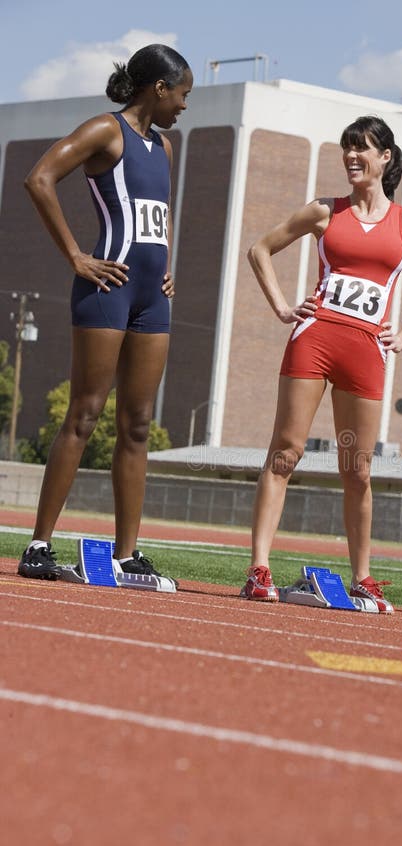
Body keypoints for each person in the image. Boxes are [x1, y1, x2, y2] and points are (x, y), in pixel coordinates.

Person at [241, 115, 402, 611]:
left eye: (362, 148)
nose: (352, 156)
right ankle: (259, 570)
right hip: (314, 339)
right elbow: (260, 249)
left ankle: (363, 578)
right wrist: (283, 308)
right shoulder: (324, 211)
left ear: (385, 158)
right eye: (347, 148)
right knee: (285, 453)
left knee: (357, 469)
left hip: (367, 351)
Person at [17, 44, 193, 581]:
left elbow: (158, 214)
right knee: (85, 414)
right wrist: (76, 256)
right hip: (106, 289)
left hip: (152, 299)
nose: (184, 106)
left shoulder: (164, 148)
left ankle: (126, 553)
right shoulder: (105, 131)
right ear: (158, 88)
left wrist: (168, 264)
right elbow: (39, 179)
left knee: (137, 424)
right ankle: (38, 545)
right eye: (182, 94)